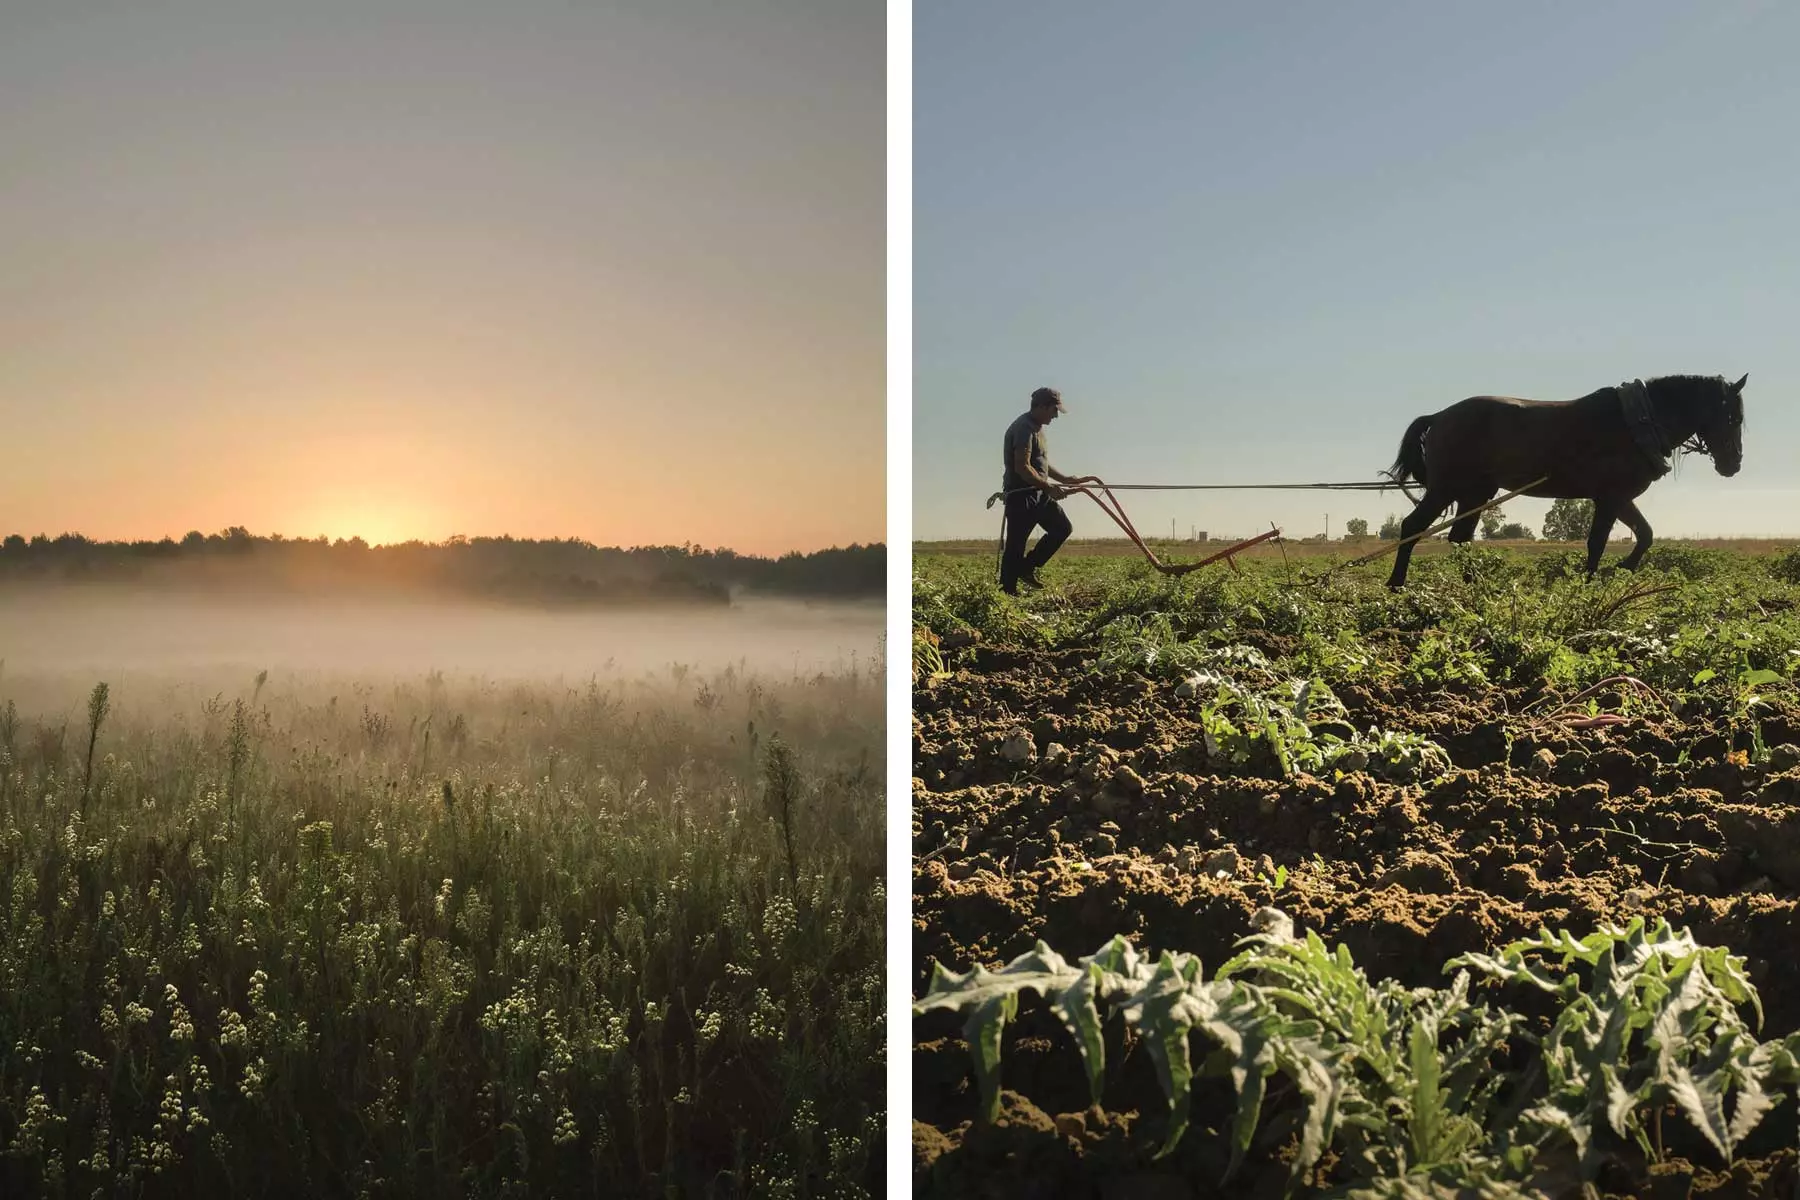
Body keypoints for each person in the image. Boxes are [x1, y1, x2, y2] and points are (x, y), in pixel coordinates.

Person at [999, 386, 1082, 594]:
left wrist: (1064, 479)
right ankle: (1006, 592)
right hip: (1021, 495)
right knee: (1016, 546)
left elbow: (1040, 463)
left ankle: (1027, 568)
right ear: (1042, 407)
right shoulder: (1024, 428)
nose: (1055, 416)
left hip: (1038, 493)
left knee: (1062, 528)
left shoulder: (1038, 429)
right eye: (1054, 410)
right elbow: (1022, 467)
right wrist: (1048, 487)